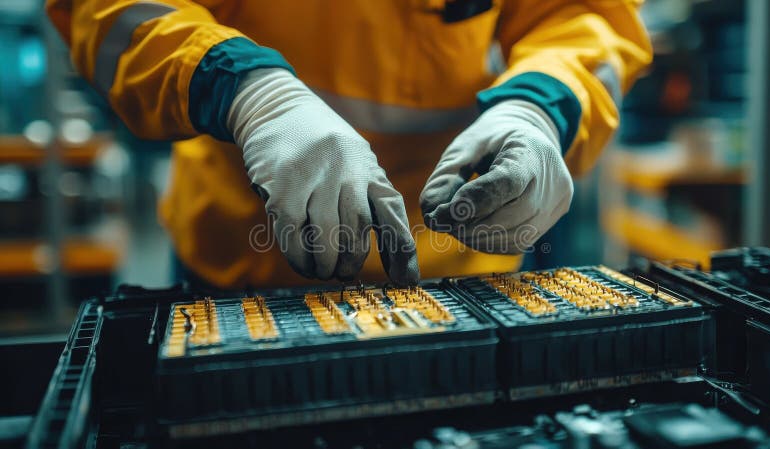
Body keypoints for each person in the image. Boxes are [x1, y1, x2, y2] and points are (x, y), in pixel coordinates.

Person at [46, 0, 652, 288]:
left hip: (463, 272)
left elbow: (580, 15)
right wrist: (249, 92)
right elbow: (113, 11)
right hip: (246, 260)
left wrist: (539, 107)